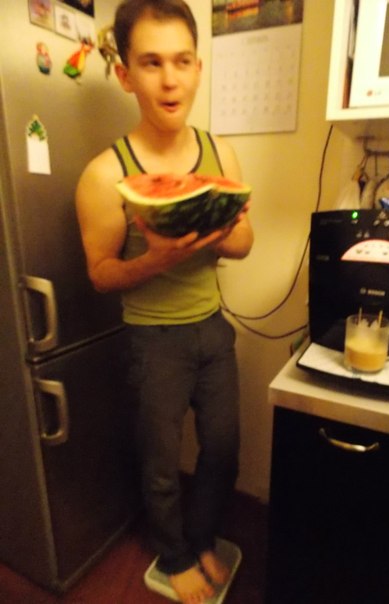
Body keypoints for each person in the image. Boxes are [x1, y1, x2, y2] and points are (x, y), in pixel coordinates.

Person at [75, 1, 253, 602]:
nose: (170, 79)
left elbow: (245, 243)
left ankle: (202, 540)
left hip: (214, 330)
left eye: (182, 61)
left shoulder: (220, 154)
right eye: (151, 63)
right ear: (125, 75)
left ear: (199, 68)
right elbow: (101, 275)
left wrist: (209, 229)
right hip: (152, 343)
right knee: (159, 463)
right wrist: (157, 257)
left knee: (223, 452)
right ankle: (174, 556)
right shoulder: (104, 175)